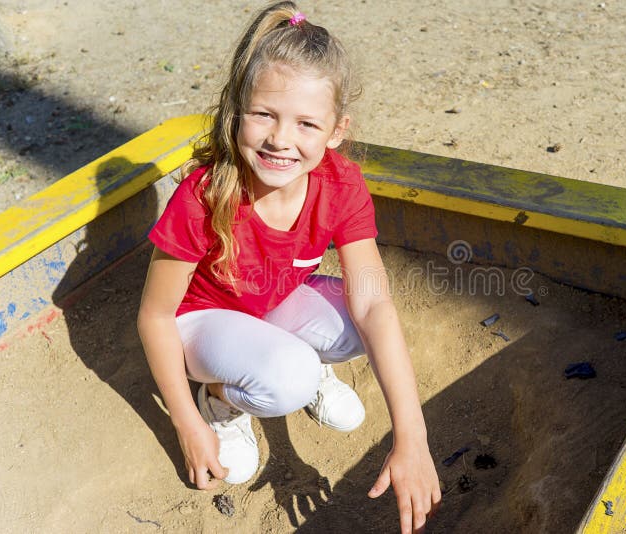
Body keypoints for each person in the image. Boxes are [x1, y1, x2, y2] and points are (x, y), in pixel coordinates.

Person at [136, 2, 441, 532]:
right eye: (264, 115)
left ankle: (296, 365)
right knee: (287, 382)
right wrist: (186, 419)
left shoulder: (341, 184)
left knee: (353, 323)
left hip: (268, 303)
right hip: (200, 322)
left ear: (337, 130)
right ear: (237, 111)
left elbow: (372, 298)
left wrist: (411, 437)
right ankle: (222, 400)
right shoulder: (203, 198)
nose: (280, 139)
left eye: (306, 123)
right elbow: (156, 317)